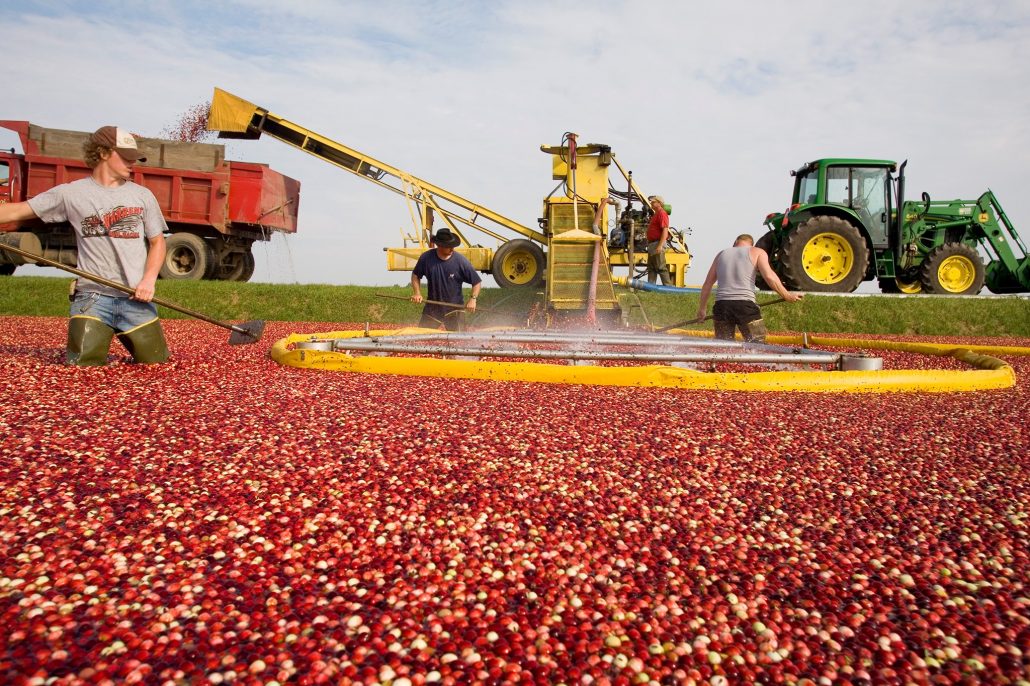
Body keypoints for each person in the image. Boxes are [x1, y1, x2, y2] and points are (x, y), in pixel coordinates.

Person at [0, 125, 170, 365]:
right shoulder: (70, 194)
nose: (132, 163)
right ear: (102, 153)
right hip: (92, 298)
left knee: (157, 365)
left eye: (134, 157)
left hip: (135, 298)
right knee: (82, 367)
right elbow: (18, 211)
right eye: (126, 157)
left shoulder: (142, 196)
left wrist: (149, 279)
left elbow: (157, 242)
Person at [696, 233, 803, 343]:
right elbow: (769, 276)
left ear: (735, 243)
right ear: (751, 244)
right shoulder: (757, 252)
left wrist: (702, 309)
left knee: (723, 347)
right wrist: (786, 295)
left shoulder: (721, 254)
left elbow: (708, 283)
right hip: (745, 307)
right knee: (758, 344)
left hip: (722, 307)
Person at [410, 227, 482, 331]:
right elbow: (416, 275)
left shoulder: (461, 261)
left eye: (453, 246)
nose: (452, 249)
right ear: (439, 245)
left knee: (459, 341)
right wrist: (417, 292)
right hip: (433, 308)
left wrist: (473, 299)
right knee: (422, 338)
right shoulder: (426, 258)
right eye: (449, 246)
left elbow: (477, 282)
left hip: (455, 309)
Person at [646, 195, 672, 285]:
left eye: (653, 202)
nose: (651, 203)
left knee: (661, 267)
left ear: (659, 203)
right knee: (652, 268)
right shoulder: (656, 214)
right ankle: (650, 288)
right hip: (653, 244)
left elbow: (665, 229)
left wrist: (660, 245)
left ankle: (669, 288)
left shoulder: (662, 213)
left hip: (657, 243)